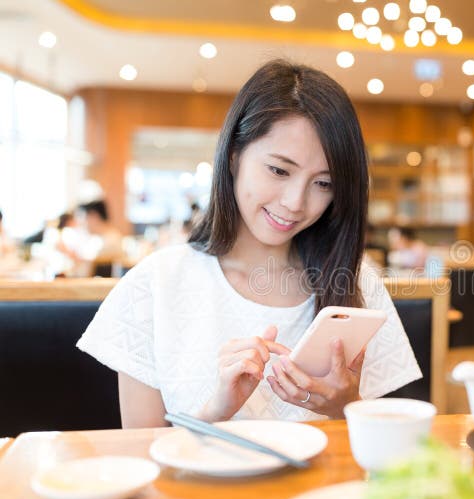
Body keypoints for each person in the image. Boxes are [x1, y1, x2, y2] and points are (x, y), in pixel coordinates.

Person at [77, 60, 422, 427]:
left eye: (323, 184)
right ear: (233, 156)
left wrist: (344, 407)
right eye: (279, 170)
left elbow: (391, 451)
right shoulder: (156, 284)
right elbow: (142, 453)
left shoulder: (355, 282)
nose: (295, 202)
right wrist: (217, 411)